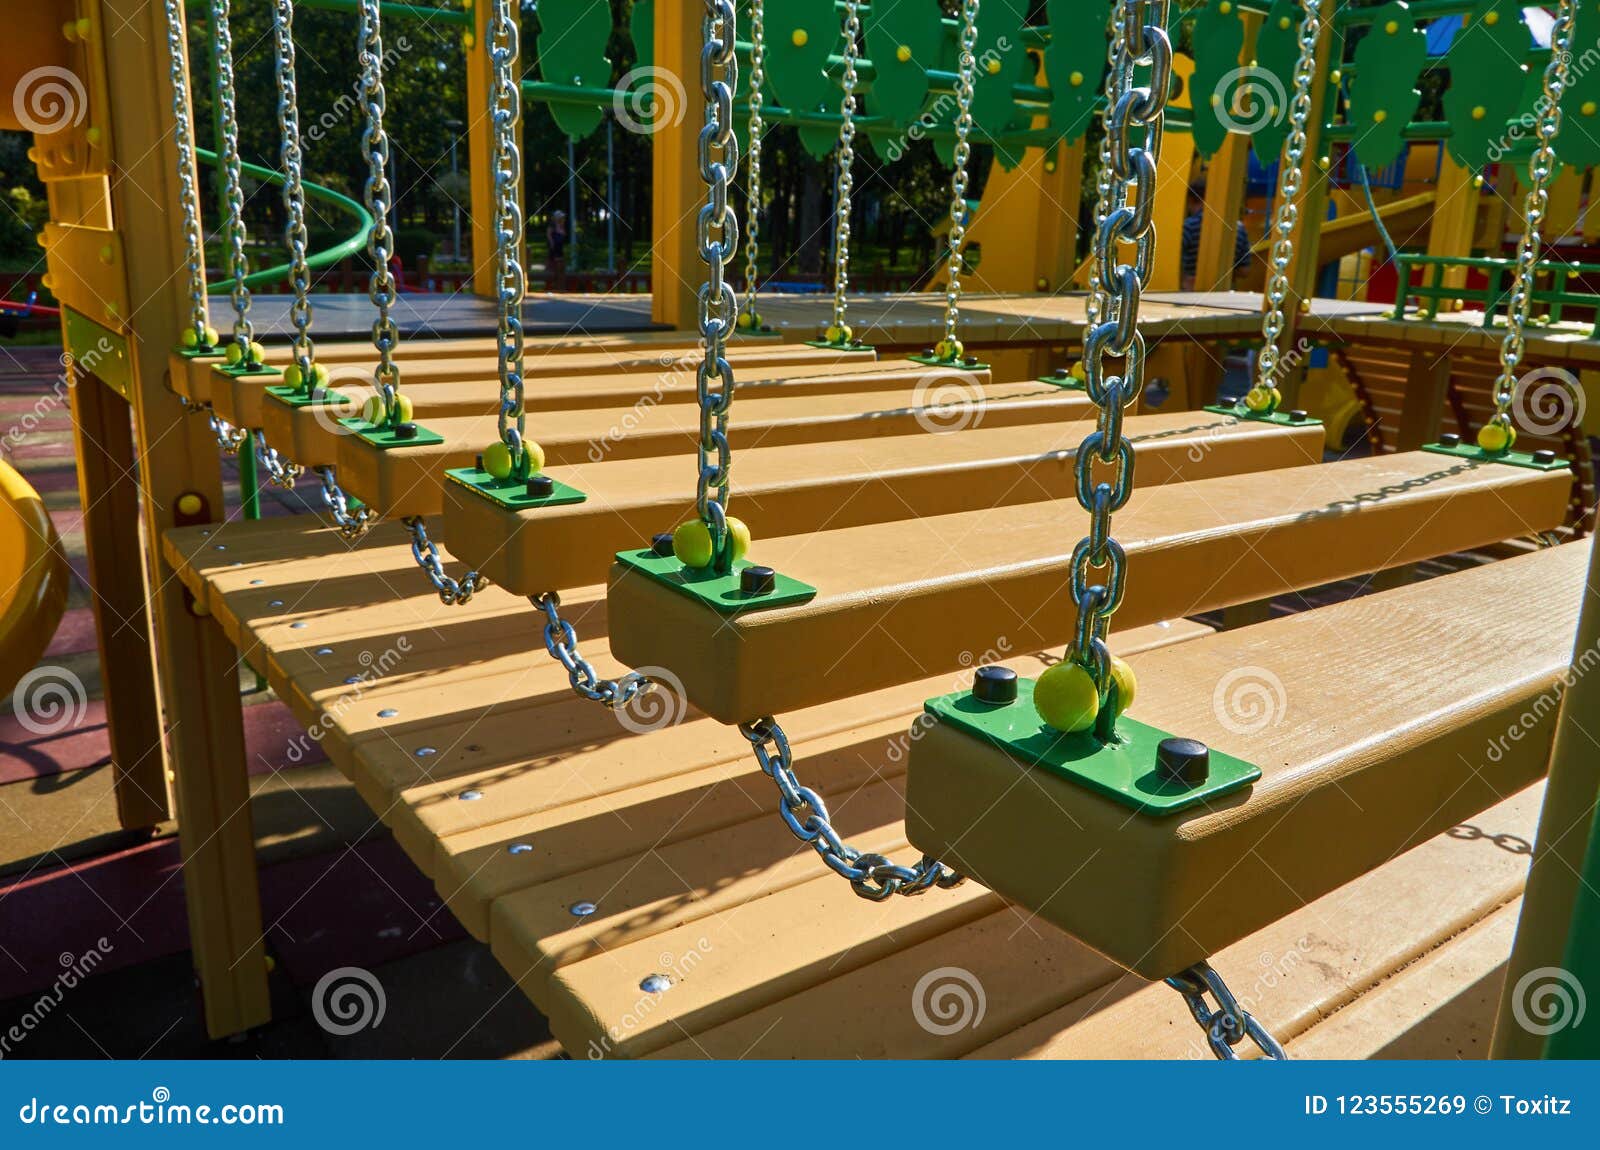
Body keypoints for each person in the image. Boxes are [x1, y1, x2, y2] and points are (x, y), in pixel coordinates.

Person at [1180, 182, 1251, 291]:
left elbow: (1173, 259)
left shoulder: (1189, 226)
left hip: (1189, 291)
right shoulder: (1239, 228)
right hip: (1224, 294)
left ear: (1191, 201)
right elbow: (1244, 270)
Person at [546, 210, 568, 290]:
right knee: (554, 268)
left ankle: (561, 286)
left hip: (560, 250)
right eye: (560, 217)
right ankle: (553, 286)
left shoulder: (562, 226)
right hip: (554, 250)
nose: (562, 219)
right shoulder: (552, 226)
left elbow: (564, 236)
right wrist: (552, 244)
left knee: (561, 268)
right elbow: (549, 236)